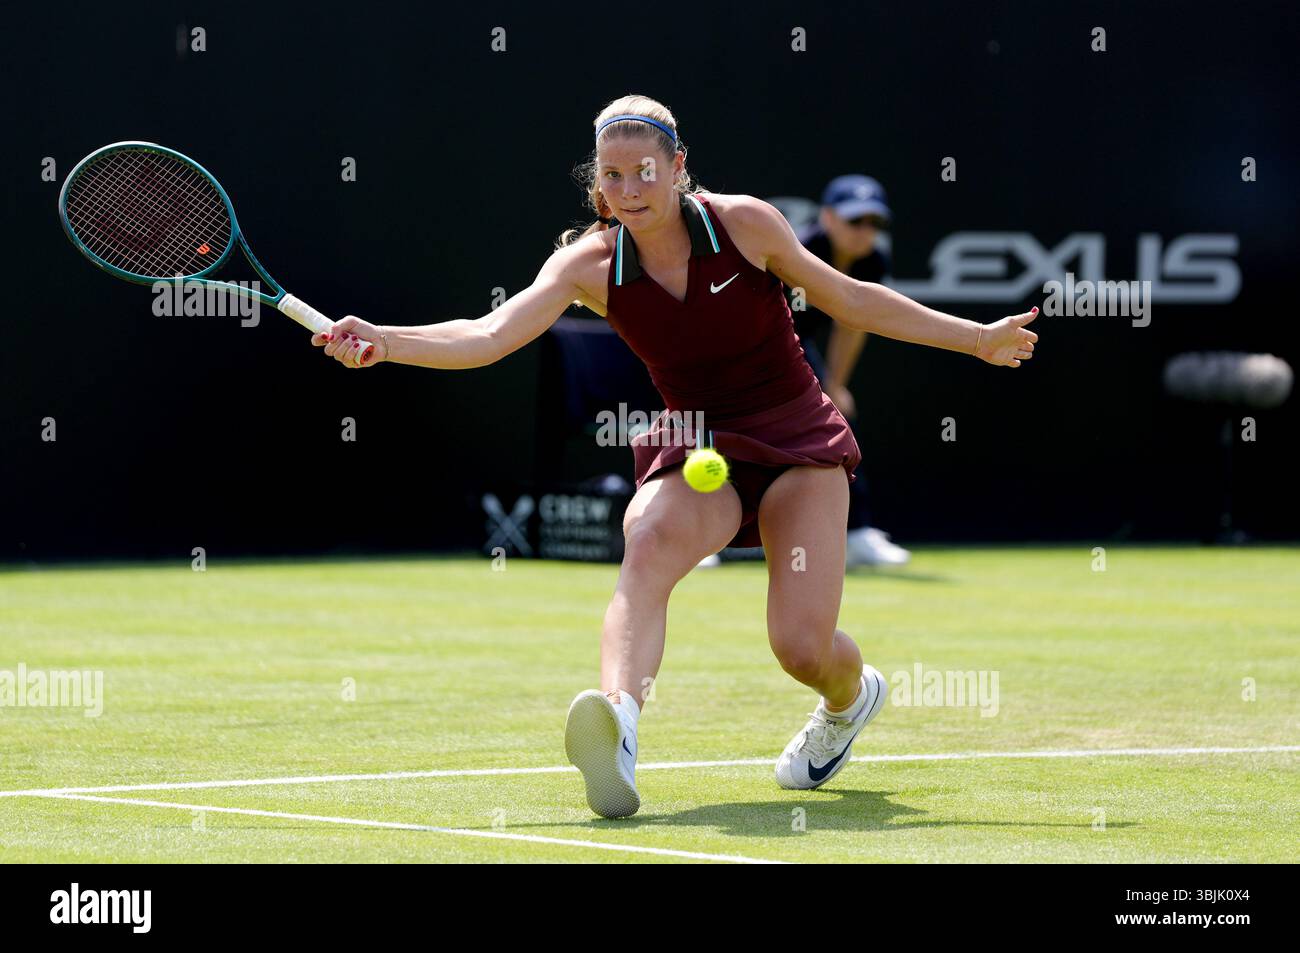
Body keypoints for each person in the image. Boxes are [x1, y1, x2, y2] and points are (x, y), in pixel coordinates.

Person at [312, 94, 1039, 819]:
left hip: (796, 441)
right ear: (596, 184)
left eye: (644, 172)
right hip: (700, 443)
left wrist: (978, 338)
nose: (629, 191)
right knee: (649, 540)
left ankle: (851, 699)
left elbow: (850, 299)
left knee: (800, 647)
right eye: (613, 176)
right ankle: (620, 724)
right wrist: (386, 340)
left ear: (678, 168)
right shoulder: (586, 265)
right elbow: (489, 334)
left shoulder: (746, 224)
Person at [794, 175, 912, 567]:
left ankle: (857, 533)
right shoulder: (802, 251)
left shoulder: (873, 261)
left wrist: (836, 384)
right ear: (827, 217)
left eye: (874, 224)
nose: (865, 232)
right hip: (754, 343)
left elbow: (852, 325)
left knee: (838, 422)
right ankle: (704, 541)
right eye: (854, 221)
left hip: (797, 344)